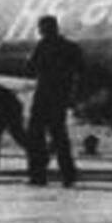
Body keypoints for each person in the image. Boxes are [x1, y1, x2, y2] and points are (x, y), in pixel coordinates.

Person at [25, 15, 84, 187]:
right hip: (61, 96)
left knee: (36, 137)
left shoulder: (42, 46)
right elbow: (81, 70)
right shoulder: (71, 47)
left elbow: (30, 68)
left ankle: (37, 175)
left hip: (43, 96)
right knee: (60, 136)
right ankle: (68, 174)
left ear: (44, 29)